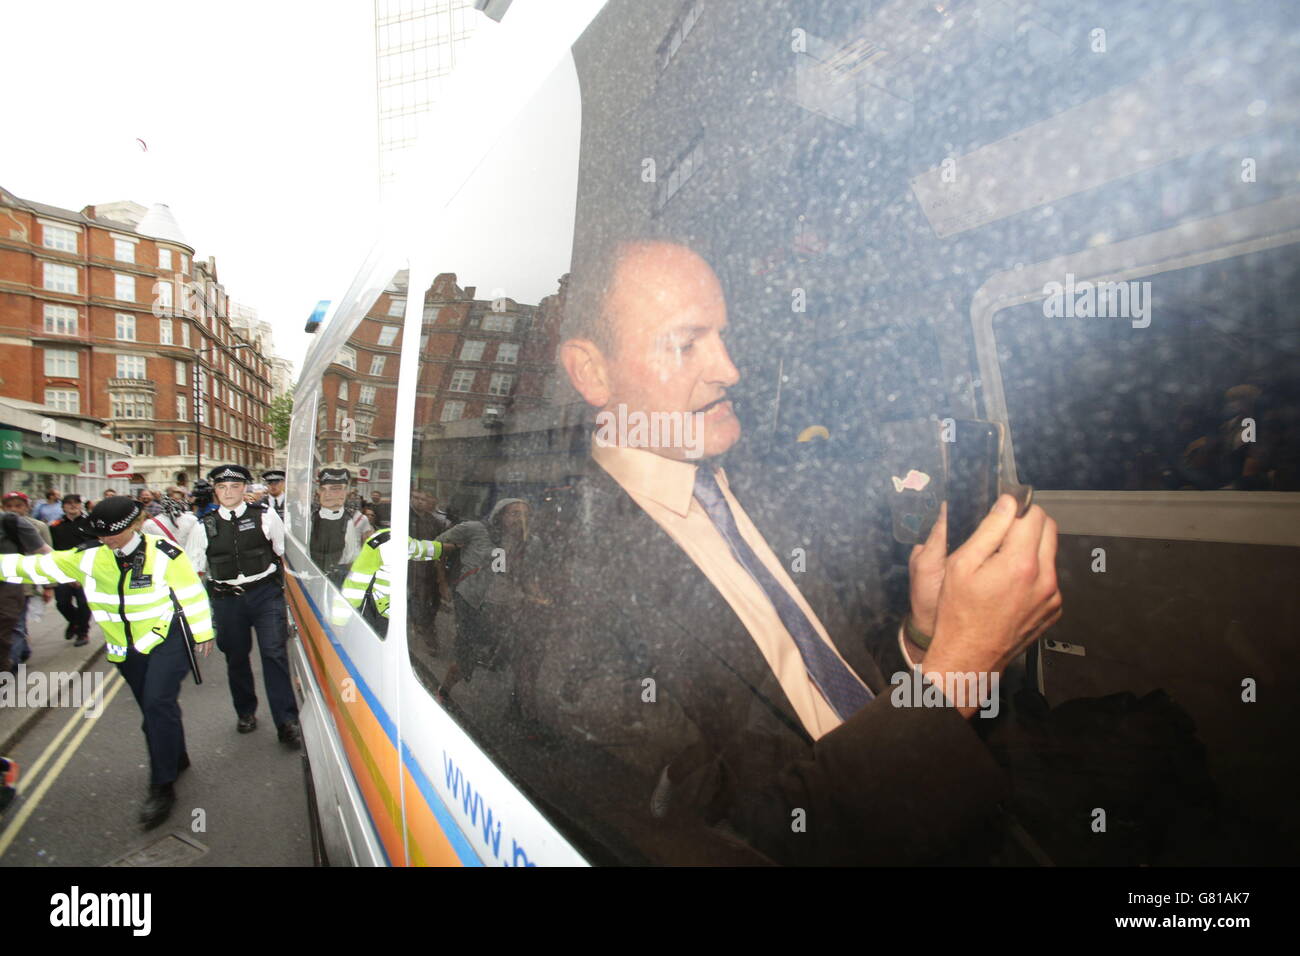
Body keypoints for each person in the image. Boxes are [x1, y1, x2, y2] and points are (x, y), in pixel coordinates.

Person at [527, 239, 1062, 865]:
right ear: (591, 370)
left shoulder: (771, 489)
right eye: (686, 342)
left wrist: (922, 640)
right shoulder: (565, 582)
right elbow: (740, 840)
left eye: (724, 337)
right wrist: (961, 671)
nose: (729, 369)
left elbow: (850, 697)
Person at [0, 496, 214, 827]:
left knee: (157, 705)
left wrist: (202, 634)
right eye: (101, 534)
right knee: (153, 709)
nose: (107, 540)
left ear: (136, 524)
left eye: (114, 534)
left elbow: (191, 593)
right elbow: (34, 566)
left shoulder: (165, 553)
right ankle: (175, 754)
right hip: (125, 649)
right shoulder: (88, 557)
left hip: (165, 638)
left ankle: (162, 787)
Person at [186, 465, 300, 748]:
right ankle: (246, 712)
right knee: (236, 658)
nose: (228, 493)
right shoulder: (203, 526)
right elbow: (193, 571)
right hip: (226, 600)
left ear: (244, 489)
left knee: (274, 654)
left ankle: (287, 721)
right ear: (215, 491)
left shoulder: (265, 515)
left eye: (234, 487)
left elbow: (282, 551)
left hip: (265, 594)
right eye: (222, 487)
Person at [1, 492, 53, 665]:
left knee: (15, 626)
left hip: (16, 585)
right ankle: (19, 652)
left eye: (18, 505)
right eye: (9, 505)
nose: (14, 510)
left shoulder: (14, 523)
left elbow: (47, 554)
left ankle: (11, 665)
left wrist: (49, 585)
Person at [309, 468, 371, 585]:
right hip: (312, 576)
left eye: (334, 489)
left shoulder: (355, 519)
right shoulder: (310, 517)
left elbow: (354, 557)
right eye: (323, 489)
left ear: (344, 493)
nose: (326, 494)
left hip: (339, 578)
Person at [48, 494, 94, 646]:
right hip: (63, 571)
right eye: (68, 504)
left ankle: (83, 632)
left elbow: (96, 548)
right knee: (62, 603)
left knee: (83, 603)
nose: (72, 506)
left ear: (81, 505)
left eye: (76, 503)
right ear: (63, 507)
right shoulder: (55, 526)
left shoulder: (90, 524)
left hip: (84, 570)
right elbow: (52, 550)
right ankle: (74, 622)